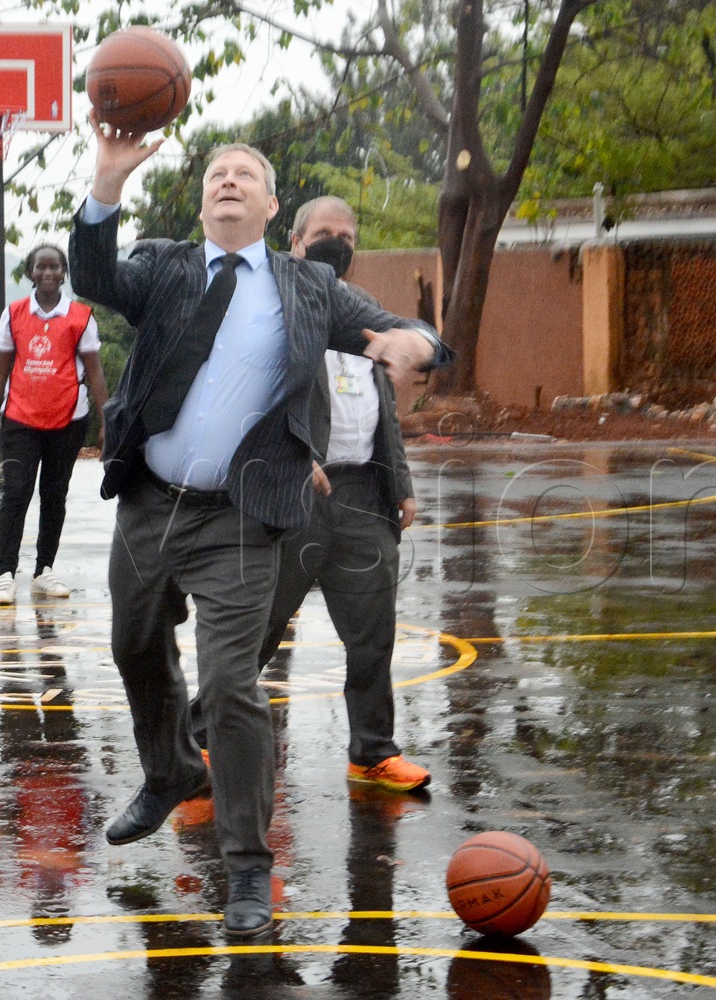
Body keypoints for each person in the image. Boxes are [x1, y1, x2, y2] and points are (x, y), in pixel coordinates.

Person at [69, 119, 450, 937]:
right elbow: (92, 271)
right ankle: (171, 770)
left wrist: (415, 343)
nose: (228, 180)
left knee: (234, 682)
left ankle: (246, 865)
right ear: (204, 200)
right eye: (217, 173)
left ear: (272, 204)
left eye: (245, 173)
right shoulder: (166, 265)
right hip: (150, 500)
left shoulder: (306, 286)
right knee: (134, 645)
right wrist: (107, 179)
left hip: (240, 516)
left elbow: (400, 331)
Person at [269, 195, 431, 793]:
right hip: (295, 492)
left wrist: (403, 485)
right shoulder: (279, 308)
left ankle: (372, 752)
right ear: (295, 241)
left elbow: (383, 410)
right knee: (258, 626)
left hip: (364, 493)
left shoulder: (369, 321)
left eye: (346, 232)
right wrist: (290, 455)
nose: (336, 240)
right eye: (323, 232)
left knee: (372, 635)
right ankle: (204, 742)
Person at [0, 243, 109, 605]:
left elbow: (95, 371)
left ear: (64, 273)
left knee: (54, 494)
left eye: (55, 267)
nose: (48, 273)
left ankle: (43, 571)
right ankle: (5, 573)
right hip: (19, 418)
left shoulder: (80, 316)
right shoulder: (14, 314)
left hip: (68, 420)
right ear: (30, 273)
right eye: (40, 267)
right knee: (16, 493)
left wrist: (107, 420)